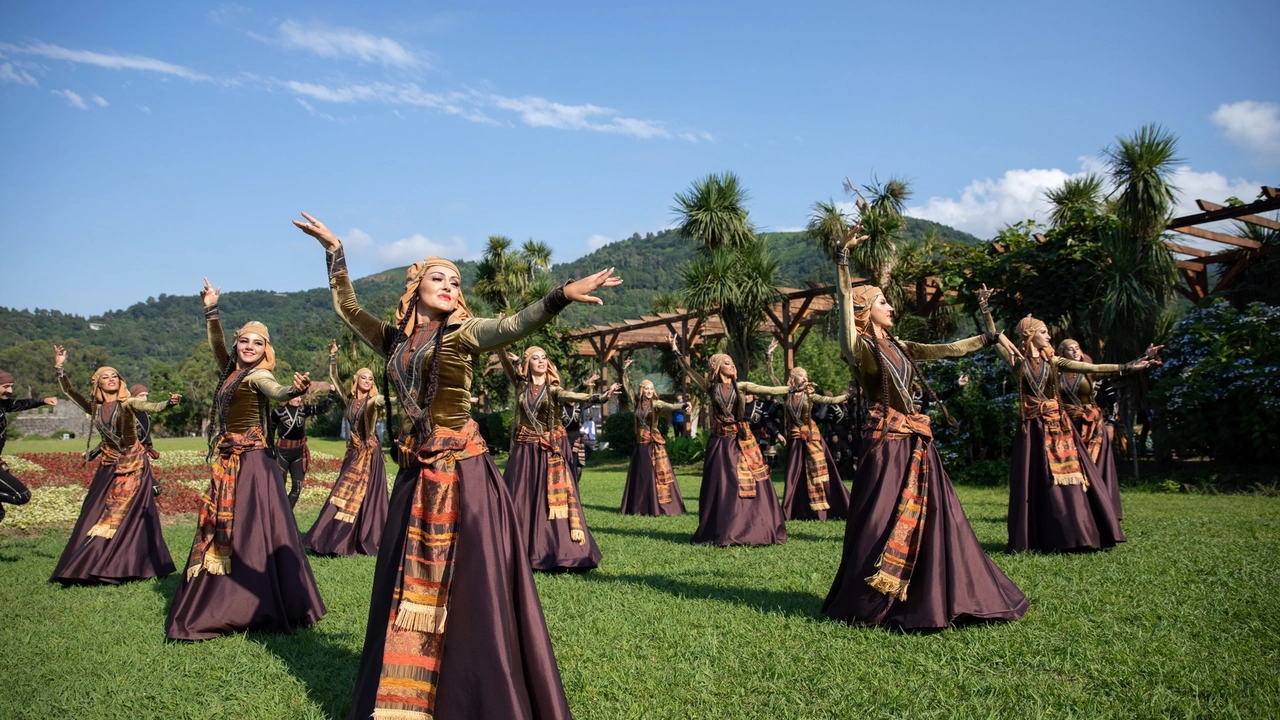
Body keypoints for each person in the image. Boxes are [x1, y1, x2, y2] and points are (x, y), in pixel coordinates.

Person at [295, 211, 621, 720]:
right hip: (412, 475)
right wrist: (335, 251)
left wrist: (560, 295)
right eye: (437, 277)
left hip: (464, 476)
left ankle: (479, 692)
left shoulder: (465, 334)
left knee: (472, 589)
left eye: (455, 281)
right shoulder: (394, 342)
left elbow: (513, 324)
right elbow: (348, 309)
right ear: (414, 288)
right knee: (405, 581)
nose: (449, 286)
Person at [822, 234, 1028, 630]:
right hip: (886, 446)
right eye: (883, 301)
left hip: (915, 442)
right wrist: (842, 260)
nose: (892, 306)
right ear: (865, 311)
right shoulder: (860, 348)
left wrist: (989, 337)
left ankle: (939, 593)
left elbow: (947, 349)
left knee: (937, 516)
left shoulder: (899, 345)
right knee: (879, 518)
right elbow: (845, 308)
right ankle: (871, 601)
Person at [165, 279, 326, 640]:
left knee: (252, 534)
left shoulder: (257, 375)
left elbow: (277, 390)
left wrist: (294, 391)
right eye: (245, 341)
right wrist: (211, 309)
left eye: (258, 343)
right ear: (237, 345)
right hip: (230, 461)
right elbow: (216, 344)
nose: (250, 347)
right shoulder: (230, 371)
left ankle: (256, 602)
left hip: (253, 464)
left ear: (265, 350)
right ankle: (226, 598)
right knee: (229, 529)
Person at [980, 292, 1159, 553]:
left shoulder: (1054, 361)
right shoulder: (1016, 360)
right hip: (1032, 427)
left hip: (1059, 426)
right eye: (1044, 331)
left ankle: (1077, 535)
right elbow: (994, 335)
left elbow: (1093, 369)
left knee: (1072, 480)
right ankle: (1041, 538)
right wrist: (985, 307)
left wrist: (1130, 366)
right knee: (1036, 481)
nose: (1049, 336)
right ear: (1031, 334)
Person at [50, 348, 180, 584]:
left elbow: (153, 407)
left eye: (114, 376)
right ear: (98, 384)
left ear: (120, 382)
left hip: (133, 465)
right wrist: (60, 368)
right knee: (93, 510)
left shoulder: (129, 404)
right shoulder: (95, 408)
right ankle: (86, 562)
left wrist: (169, 403)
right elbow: (69, 391)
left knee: (130, 514)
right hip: (108, 464)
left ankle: (124, 565)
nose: (111, 379)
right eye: (105, 377)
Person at [499, 346, 617, 571]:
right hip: (525, 451)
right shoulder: (521, 387)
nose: (541, 361)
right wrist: (501, 341)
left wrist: (601, 397)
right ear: (528, 363)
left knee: (552, 498)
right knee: (521, 498)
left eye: (544, 357)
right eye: (536, 358)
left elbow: (573, 395)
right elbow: (506, 365)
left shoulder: (553, 390)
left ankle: (557, 549)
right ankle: (518, 549)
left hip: (549, 450)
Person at [671, 335, 788, 547]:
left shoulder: (741, 387)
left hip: (741, 440)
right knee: (723, 485)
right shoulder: (711, 387)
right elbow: (689, 371)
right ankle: (725, 528)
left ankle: (753, 527)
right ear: (716, 367)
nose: (732, 365)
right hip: (719, 443)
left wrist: (793, 389)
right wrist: (676, 351)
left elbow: (769, 390)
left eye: (732, 362)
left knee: (749, 480)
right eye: (727, 362)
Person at [302, 342, 389, 556]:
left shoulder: (374, 401)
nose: (367, 381)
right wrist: (332, 356)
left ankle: (361, 538)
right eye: (364, 377)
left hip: (369, 454)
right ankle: (329, 537)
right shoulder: (349, 399)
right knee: (341, 492)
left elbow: (388, 400)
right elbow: (334, 378)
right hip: (353, 453)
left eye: (370, 378)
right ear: (356, 380)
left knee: (367, 496)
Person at [1058, 340, 1124, 520]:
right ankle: (1079, 508)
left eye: (1077, 348)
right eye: (1070, 349)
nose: (1074, 351)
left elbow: (1114, 402)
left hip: (1093, 426)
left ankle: (1104, 508)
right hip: (1069, 425)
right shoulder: (1057, 374)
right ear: (1062, 353)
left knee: (1097, 466)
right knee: (1074, 466)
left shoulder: (1091, 371)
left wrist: (1111, 423)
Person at [619, 356, 688, 516]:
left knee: (655, 474)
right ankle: (639, 506)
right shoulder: (636, 403)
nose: (649, 391)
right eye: (646, 388)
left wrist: (683, 405)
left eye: (651, 388)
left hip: (653, 444)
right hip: (640, 444)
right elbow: (627, 387)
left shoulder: (656, 404)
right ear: (641, 390)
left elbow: (670, 406)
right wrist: (624, 371)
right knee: (641, 474)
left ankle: (657, 506)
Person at [0, 370, 57, 524]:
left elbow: (19, 404)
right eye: (5, 386)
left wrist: (43, 400)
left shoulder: (2, 404)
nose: (10, 391)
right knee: (22, 495)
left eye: (11, 386)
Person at [266, 381, 334, 507]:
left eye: (299, 396)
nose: (298, 399)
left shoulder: (304, 410)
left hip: (298, 453)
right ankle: (276, 515)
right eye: (296, 396)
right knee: (279, 488)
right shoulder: (278, 412)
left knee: (297, 488)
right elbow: (270, 431)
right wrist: (269, 451)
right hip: (282, 452)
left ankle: (286, 516)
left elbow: (323, 408)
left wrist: (332, 393)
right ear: (288, 397)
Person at [130, 384, 164, 496]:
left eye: (146, 395)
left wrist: (149, 449)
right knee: (150, 487)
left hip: (143, 451)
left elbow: (146, 435)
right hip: (131, 453)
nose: (144, 398)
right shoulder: (129, 412)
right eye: (141, 395)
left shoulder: (144, 412)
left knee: (150, 487)